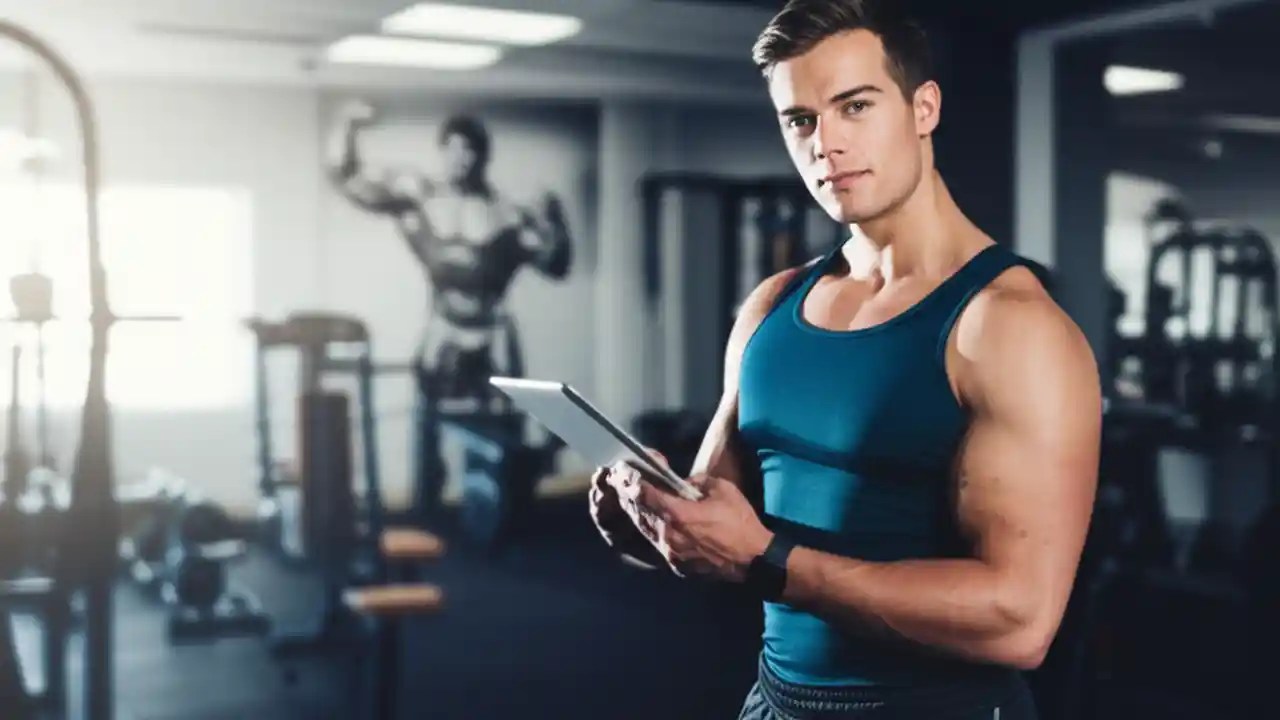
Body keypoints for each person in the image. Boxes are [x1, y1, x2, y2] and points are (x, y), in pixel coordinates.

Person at [588, 1, 1101, 718]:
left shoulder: (1012, 329)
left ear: (923, 108)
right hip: (773, 702)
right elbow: (721, 532)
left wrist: (769, 560)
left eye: (854, 106)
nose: (824, 144)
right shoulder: (773, 306)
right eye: (800, 120)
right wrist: (646, 523)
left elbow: (1020, 622)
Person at [326, 102, 573, 402]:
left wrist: (556, 222)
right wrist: (346, 125)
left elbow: (557, 267)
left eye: (469, 150)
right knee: (430, 415)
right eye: (453, 150)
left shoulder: (508, 215)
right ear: (442, 152)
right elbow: (348, 180)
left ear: (483, 157)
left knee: (500, 428)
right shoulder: (419, 200)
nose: (461, 160)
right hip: (442, 330)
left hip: (492, 333)